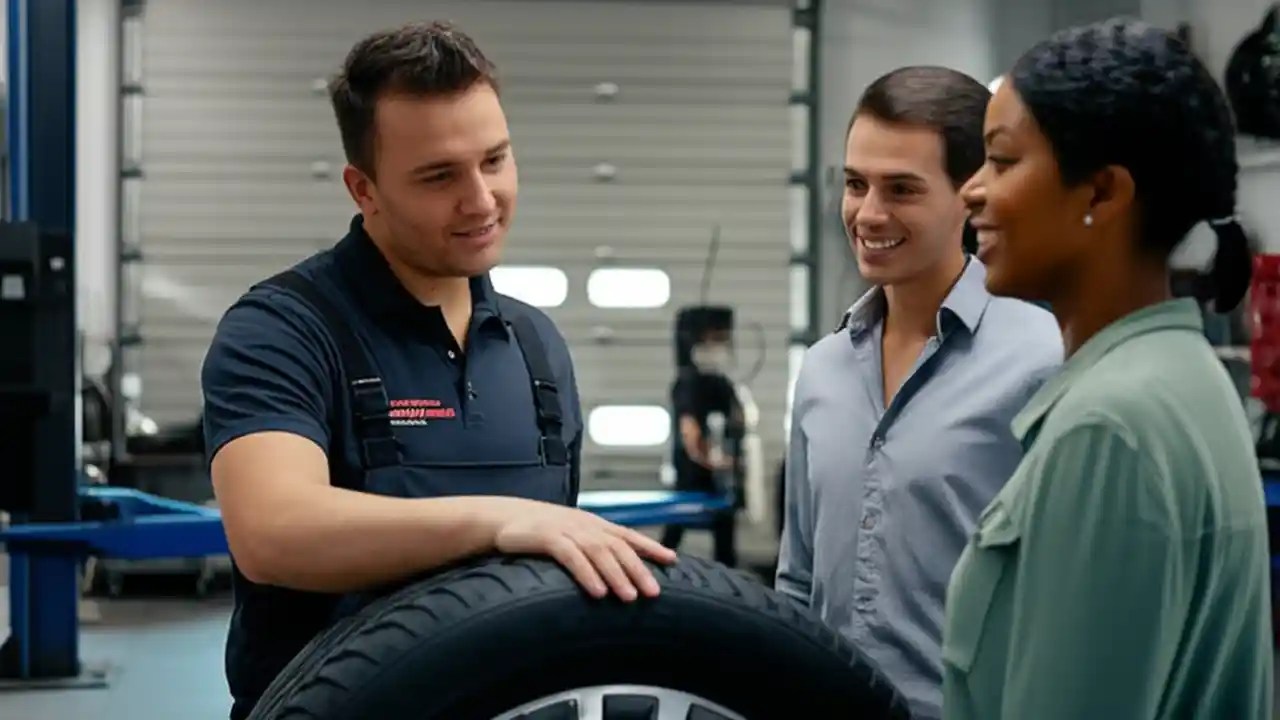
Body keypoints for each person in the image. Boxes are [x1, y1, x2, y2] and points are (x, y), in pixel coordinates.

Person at [200, 22, 677, 719]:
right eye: (439, 176)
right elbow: (272, 533)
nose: (482, 200)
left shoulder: (534, 344)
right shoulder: (282, 331)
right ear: (363, 189)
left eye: (495, 160)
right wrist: (498, 521)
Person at [946, 18, 1273, 720]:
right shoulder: (1176, 374)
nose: (971, 190)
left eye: (1002, 162)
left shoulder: (1109, 428)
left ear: (1100, 194)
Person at [774, 66, 1063, 720]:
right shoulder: (822, 369)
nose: (869, 214)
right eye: (855, 185)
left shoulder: (1042, 361)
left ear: (973, 194)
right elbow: (797, 582)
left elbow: (1064, 601)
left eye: (901, 189)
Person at [661, 307, 743, 567]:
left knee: (724, 540)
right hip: (693, 478)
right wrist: (711, 460)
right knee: (673, 537)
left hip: (723, 480)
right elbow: (689, 431)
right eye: (715, 338)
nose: (721, 345)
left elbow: (738, 421)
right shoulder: (688, 383)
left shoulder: (722, 384)